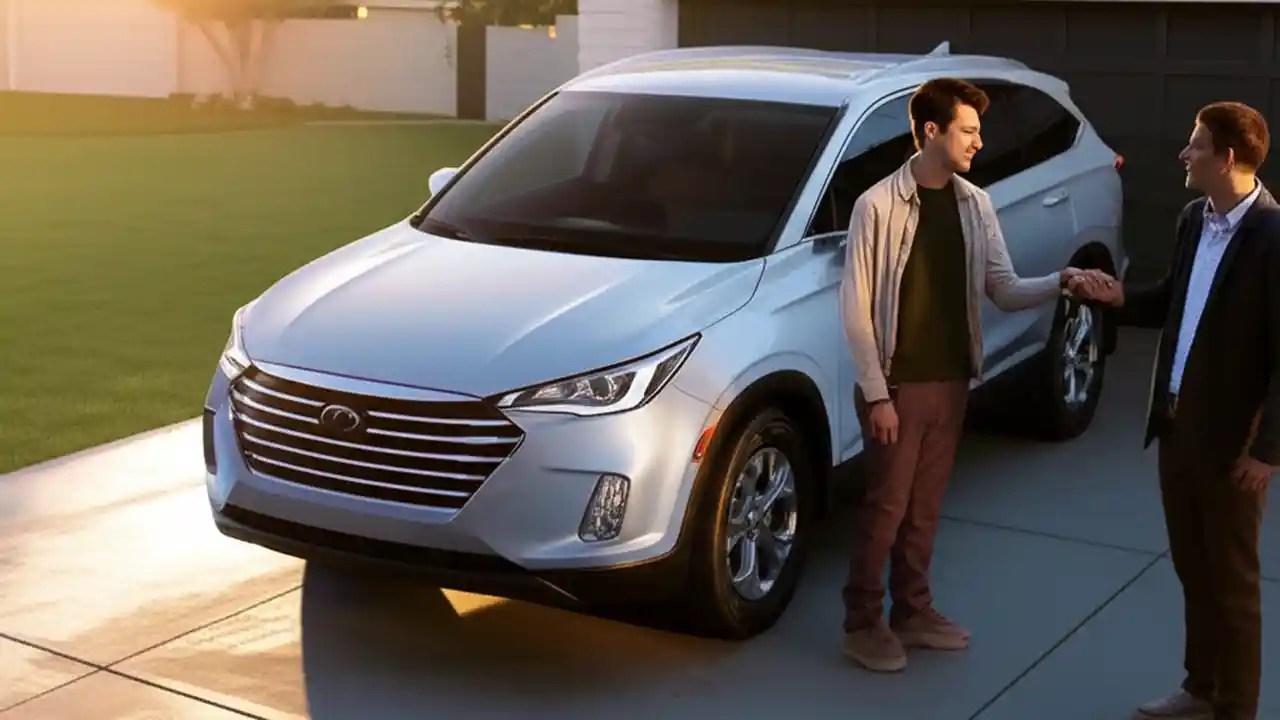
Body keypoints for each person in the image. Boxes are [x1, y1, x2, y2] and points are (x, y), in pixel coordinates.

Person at [838, 77, 1102, 672]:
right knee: (886, 508)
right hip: (896, 388)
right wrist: (877, 395)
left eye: (979, 133)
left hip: (952, 383)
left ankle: (913, 611)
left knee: (925, 509)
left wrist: (1062, 281)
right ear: (931, 131)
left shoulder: (974, 204)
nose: (979, 142)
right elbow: (855, 310)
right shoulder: (877, 205)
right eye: (969, 131)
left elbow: (1003, 289)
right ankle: (861, 623)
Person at [1070, 101, 1277, 720]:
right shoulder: (1194, 219)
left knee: (1234, 587)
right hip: (1177, 429)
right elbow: (1168, 302)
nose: (1183, 155)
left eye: (1195, 146)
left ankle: (1235, 709)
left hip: (1235, 445)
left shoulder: (1273, 237)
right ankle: (1201, 688)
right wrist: (1114, 300)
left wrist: (1268, 453)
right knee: (1193, 569)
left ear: (1228, 158)